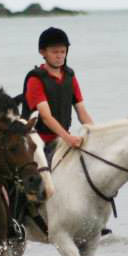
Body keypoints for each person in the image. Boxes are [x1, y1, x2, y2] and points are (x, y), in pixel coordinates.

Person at [21, 27, 94, 166]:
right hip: (38, 141)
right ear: (43, 52)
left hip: (61, 138)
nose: (59, 55)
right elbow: (46, 117)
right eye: (55, 52)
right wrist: (68, 138)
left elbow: (82, 111)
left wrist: (96, 134)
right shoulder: (35, 79)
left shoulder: (69, 76)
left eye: (63, 51)